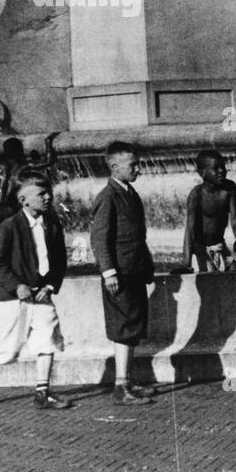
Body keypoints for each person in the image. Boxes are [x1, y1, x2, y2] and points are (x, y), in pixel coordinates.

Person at [0, 177, 71, 410]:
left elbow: (60, 260)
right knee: (8, 348)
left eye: (48, 193)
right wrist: (16, 286)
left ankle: (42, 393)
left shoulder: (52, 225)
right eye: (40, 194)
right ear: (23, 200)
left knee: (48, 340)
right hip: (15, 299)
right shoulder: (8, 227)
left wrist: (50, 286)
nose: (47, 197)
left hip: (42, 296)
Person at [90, 141, 156, 405]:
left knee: (133, 327)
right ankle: (120, 387)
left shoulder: (129, 193)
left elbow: (139, 236)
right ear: (115, 167)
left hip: (134, 271)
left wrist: (147, 266)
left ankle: (126, 381)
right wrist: (109, 273)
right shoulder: (107, 197)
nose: (138, 168)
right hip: (120, 273)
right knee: (124, 328)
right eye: (133, 165)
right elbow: (99, 238)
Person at [0, 132, 59, 248]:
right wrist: (49, 141)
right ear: (20, 150)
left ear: (5, 151)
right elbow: (49, 161)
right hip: (9, 211)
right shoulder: (24, 165)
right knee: (14, 243)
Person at [175, 150, 236, 274]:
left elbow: (235, 218)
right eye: (216, 168)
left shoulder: (229, 188)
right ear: (202, 173)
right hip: (201, 250)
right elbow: (190, 229)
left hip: (220, 245)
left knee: (234, 272)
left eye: (223, 166)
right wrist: (187, 262)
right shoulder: (196, 195)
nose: (221, 171)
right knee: (210, 281)